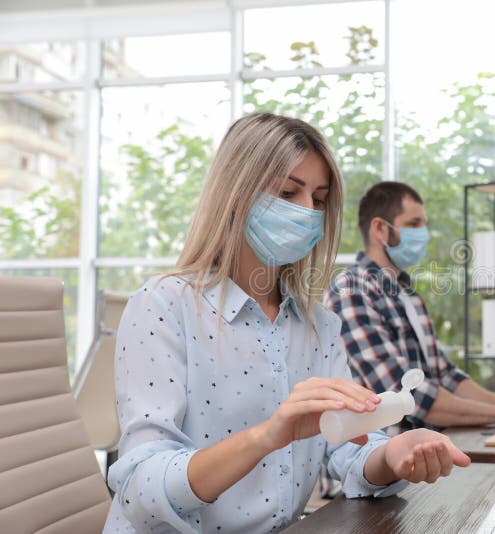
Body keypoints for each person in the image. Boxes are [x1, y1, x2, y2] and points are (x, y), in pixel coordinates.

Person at [103, 113, 470, 533]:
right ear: (235, 194)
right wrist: (267, 436)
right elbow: (139, 488)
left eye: (318, 198)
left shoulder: (320, 326)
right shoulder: (162, 307)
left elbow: (344, 451)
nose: (307, 212)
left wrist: (393, 454)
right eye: (287, 192)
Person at [324, 182, 495, 438]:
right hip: (384, 460)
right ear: (380, 229)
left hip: (429, 450)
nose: (424, 234)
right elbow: (408, 396)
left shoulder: (408, 295)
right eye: (414, 223)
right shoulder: (352, 291)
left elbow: (447, 376)